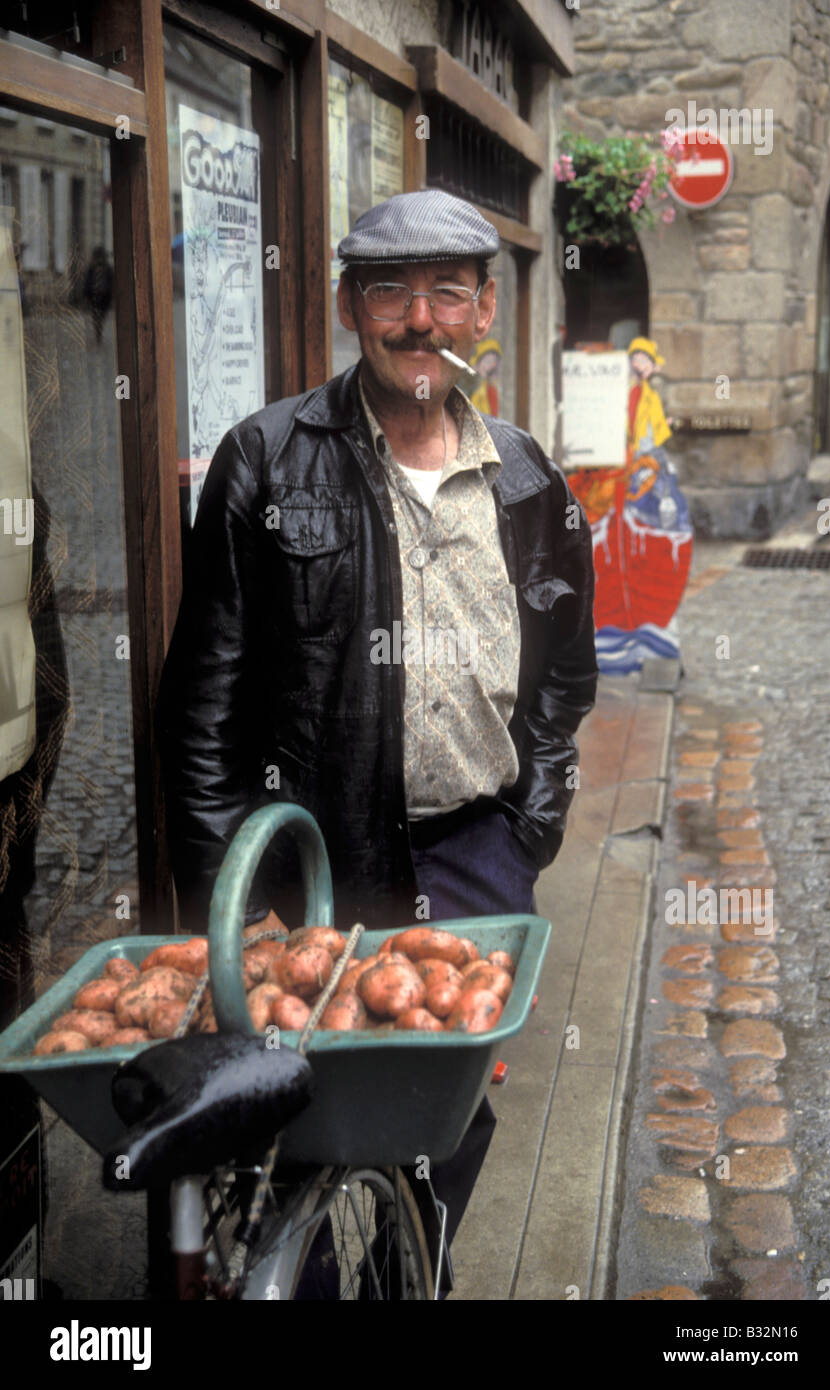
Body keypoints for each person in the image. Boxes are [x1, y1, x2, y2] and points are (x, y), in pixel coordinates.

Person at [155, 189, 598, 1272]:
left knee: (450, 1113)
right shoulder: (263, 459)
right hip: (315, 860)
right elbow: (201, 705)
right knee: (302, 1128)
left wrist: (527, 825)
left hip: (476, 851)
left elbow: (564, 674)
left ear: (482, 308)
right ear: (352, 306)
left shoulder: (530, 481)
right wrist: (232, 905)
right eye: (391, 292)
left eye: (447, 291)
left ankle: (414, 1269)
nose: (420, 319)